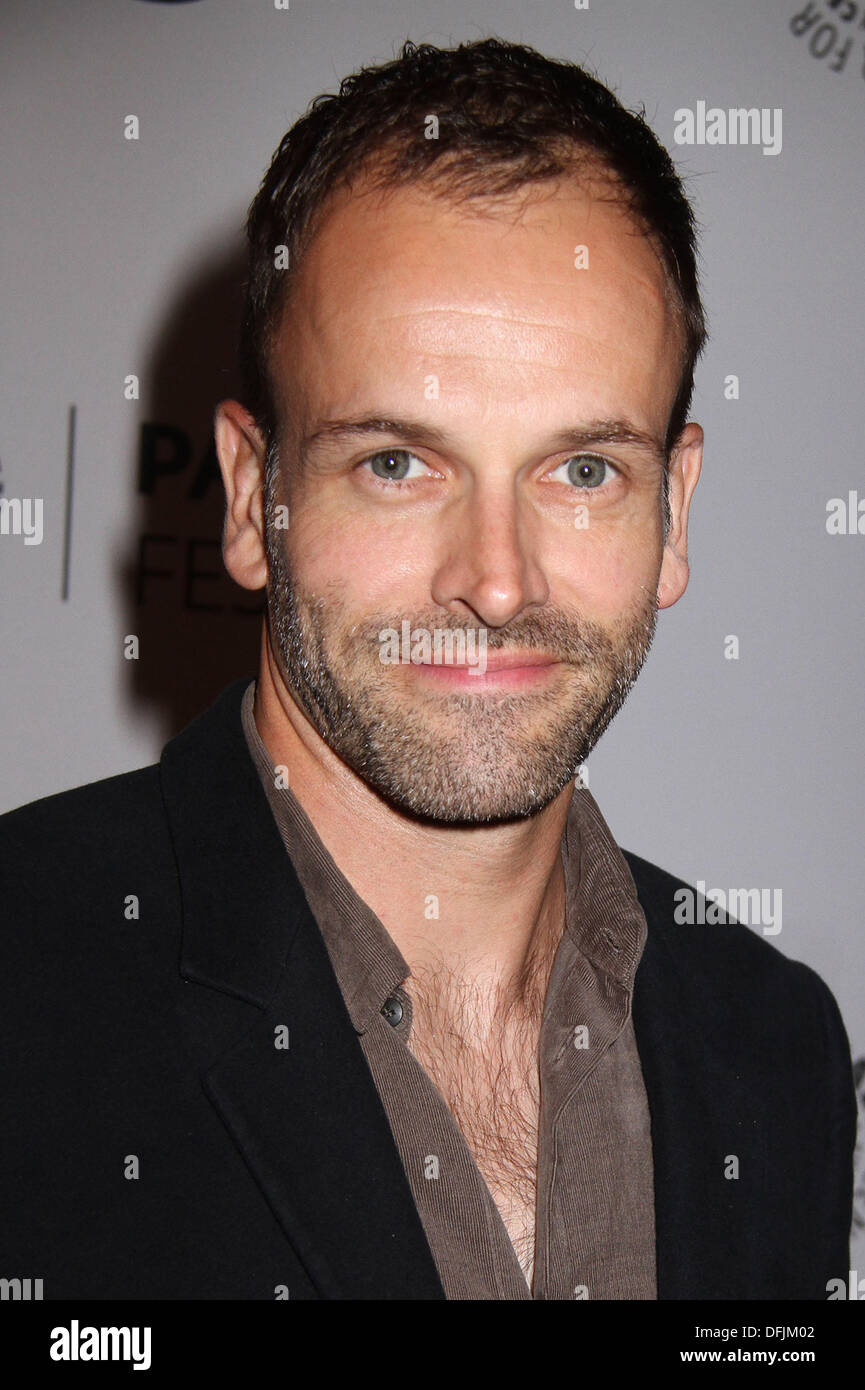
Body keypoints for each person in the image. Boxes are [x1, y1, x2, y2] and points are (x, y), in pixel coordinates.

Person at [0, 37, 855, 1300]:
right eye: (398, 462)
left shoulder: (772, 1041)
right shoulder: (27, 992)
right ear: (252, 499)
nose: (497, 580)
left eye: (582, 470)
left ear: (672, 514)